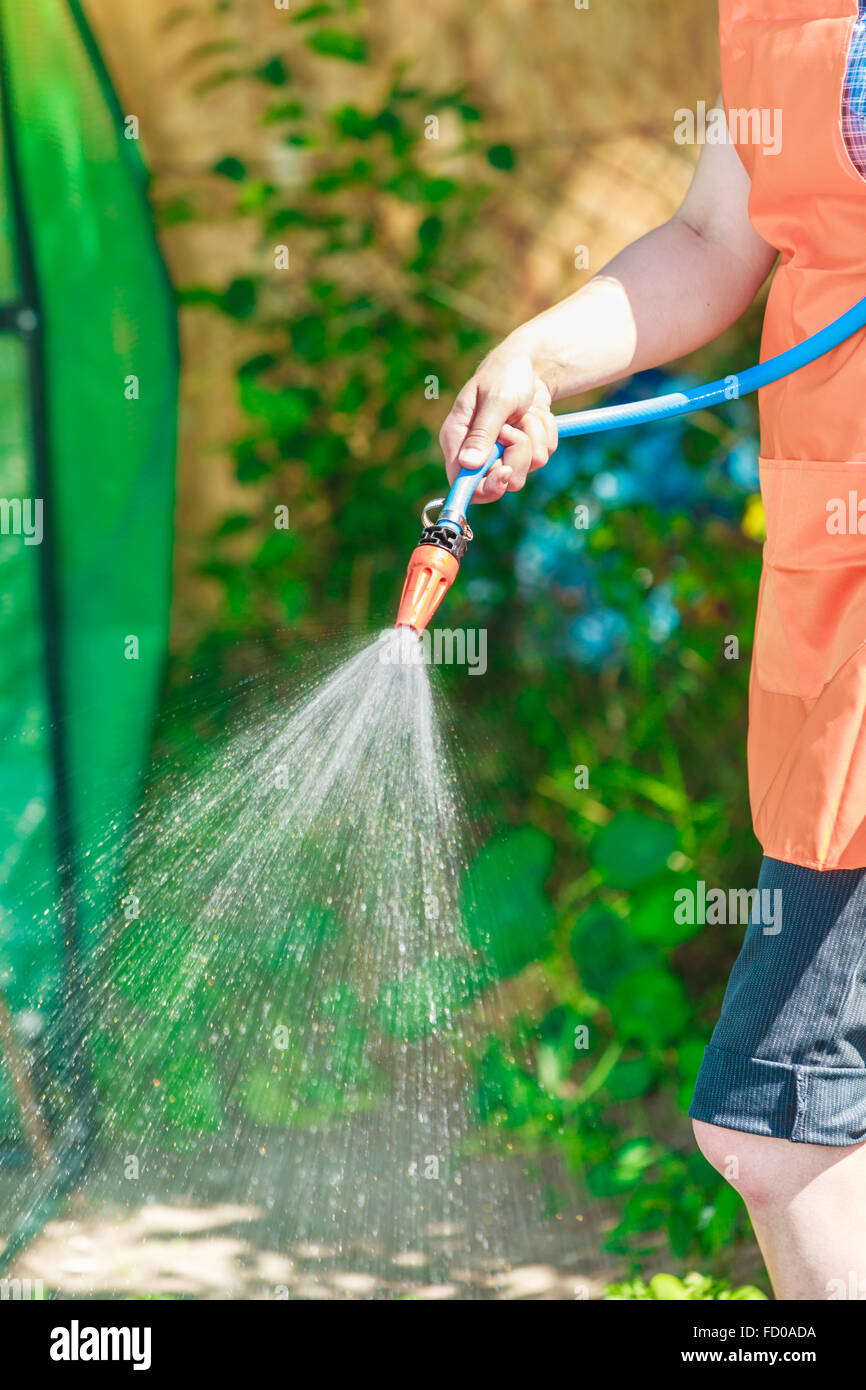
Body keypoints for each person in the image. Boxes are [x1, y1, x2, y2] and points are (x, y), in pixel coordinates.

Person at [440, 0, 866, 1301]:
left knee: (779, 1120)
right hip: (837, 595)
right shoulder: (770, 15)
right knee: (782, 1118)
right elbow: (709, 236)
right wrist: (537, 358)